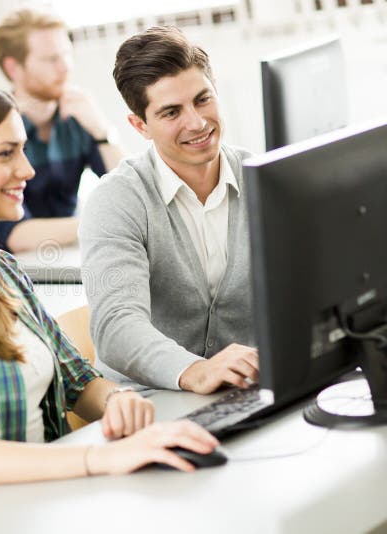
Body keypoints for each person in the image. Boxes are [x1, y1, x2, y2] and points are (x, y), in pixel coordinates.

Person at [0, 80, 218, 509]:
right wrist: (99, 458)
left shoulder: (3, 271)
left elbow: (77, 383)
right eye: (5, 153)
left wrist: (118, 401)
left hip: (44, 503)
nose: (28, 170)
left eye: (23, 150)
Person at [79, 27, 258, 394]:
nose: (196, 122)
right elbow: (116, 325)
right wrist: (195, 370)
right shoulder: (116, 201)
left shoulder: (263, 178)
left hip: (245, 392)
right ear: (140, 126)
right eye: (172, 112)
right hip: (149, 402)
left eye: (203, 99)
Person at [0, 8, 124, 252]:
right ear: (13, 69)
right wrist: (104, 225)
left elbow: (128, 194)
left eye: (66, 55)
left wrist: (101, 131)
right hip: (17, 267)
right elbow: (15, 235)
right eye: (51, 59)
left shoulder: (77, 117)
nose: (65, 68)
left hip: (70, 253)